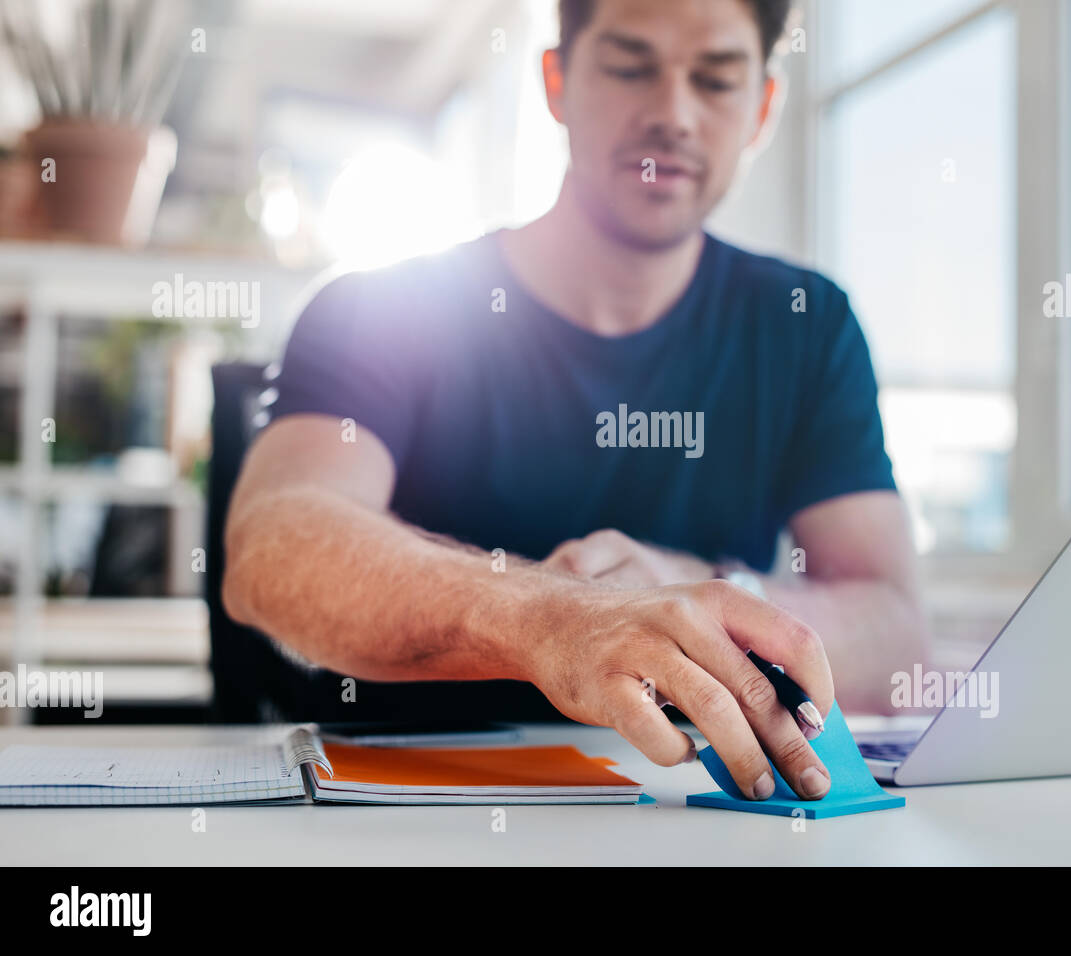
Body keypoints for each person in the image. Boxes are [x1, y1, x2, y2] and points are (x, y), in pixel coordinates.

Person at [223, 0, 929, 802]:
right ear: (556, 83)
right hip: (408, 813)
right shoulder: (380, 310)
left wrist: (709, 594)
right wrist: (553, 619)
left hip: (701, 820)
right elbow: (274, 547)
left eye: (717, 79)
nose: (672, 115)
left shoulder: (808, 326)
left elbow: (898, 637)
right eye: (630, 67)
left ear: (762, 109)